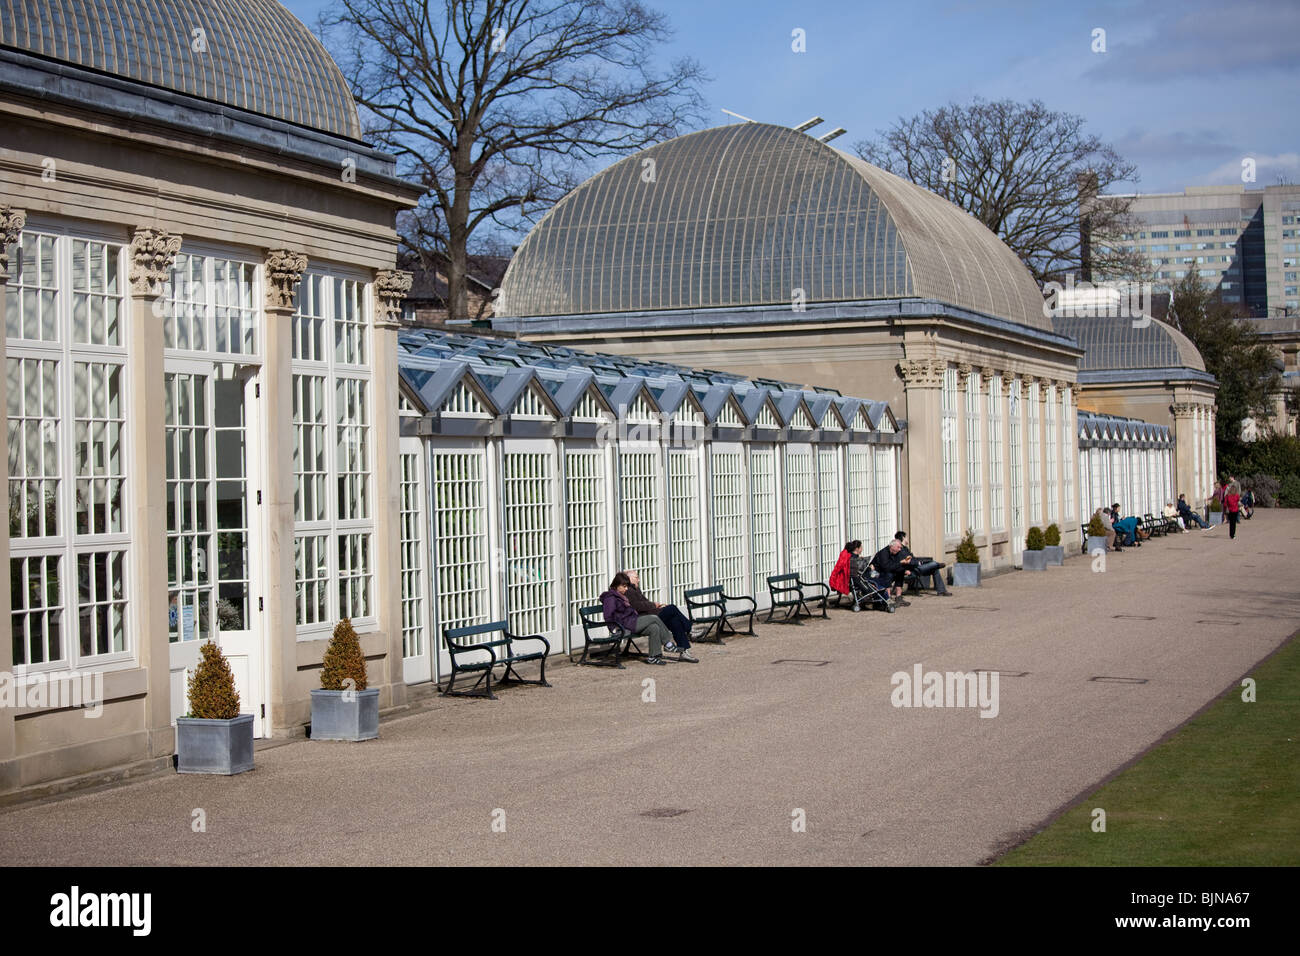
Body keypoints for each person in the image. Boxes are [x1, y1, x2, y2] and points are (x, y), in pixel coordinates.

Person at [600, 572, 672, 665]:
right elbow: (608, 616)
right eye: (624, 586)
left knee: (654, 627)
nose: (626, 589)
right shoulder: (610, 598)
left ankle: (653, 657)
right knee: (654, 618)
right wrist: (614, 629)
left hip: (631, 622)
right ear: (617, 585)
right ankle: (667, 643)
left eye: (627, 586)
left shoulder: (621, 596)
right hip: (625, 625)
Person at [624, 570, 698, 662]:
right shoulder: (627, 591)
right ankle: (690, 629)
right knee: (672, 608)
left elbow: (645, 603)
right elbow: (638, 607)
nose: (638, 580)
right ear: (629, 579)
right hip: (645, 619)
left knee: (675, 621)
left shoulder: (635, 589)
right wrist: (654, 605)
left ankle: (684, 651)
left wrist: (657, 606)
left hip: (651, 614)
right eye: (636, 577)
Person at [893, 531, 951, 596]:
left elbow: (913, 559)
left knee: (935, 569)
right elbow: (908, 562)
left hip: (916, 568)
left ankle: (941, 591)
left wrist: (920, 562)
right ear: (903, 538)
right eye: (906, 537)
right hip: (913, 570)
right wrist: (918, 563)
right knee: (933, 564)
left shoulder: (905, 549)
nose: (907, 539)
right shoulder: (901, 550)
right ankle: (937, 564)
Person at [870, 538, 912, 607]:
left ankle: (898, 597)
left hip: (887, 571)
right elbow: (886, 567)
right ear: (892, 546)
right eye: (898, 547)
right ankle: (888, 597)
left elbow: (895, 565)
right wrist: (901, 562)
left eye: (900, 548)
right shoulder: (883, 553)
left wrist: (905, 567)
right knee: (888, 574)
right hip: (876, 573)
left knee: (900, 572)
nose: (899, 549)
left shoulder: (895, 553)